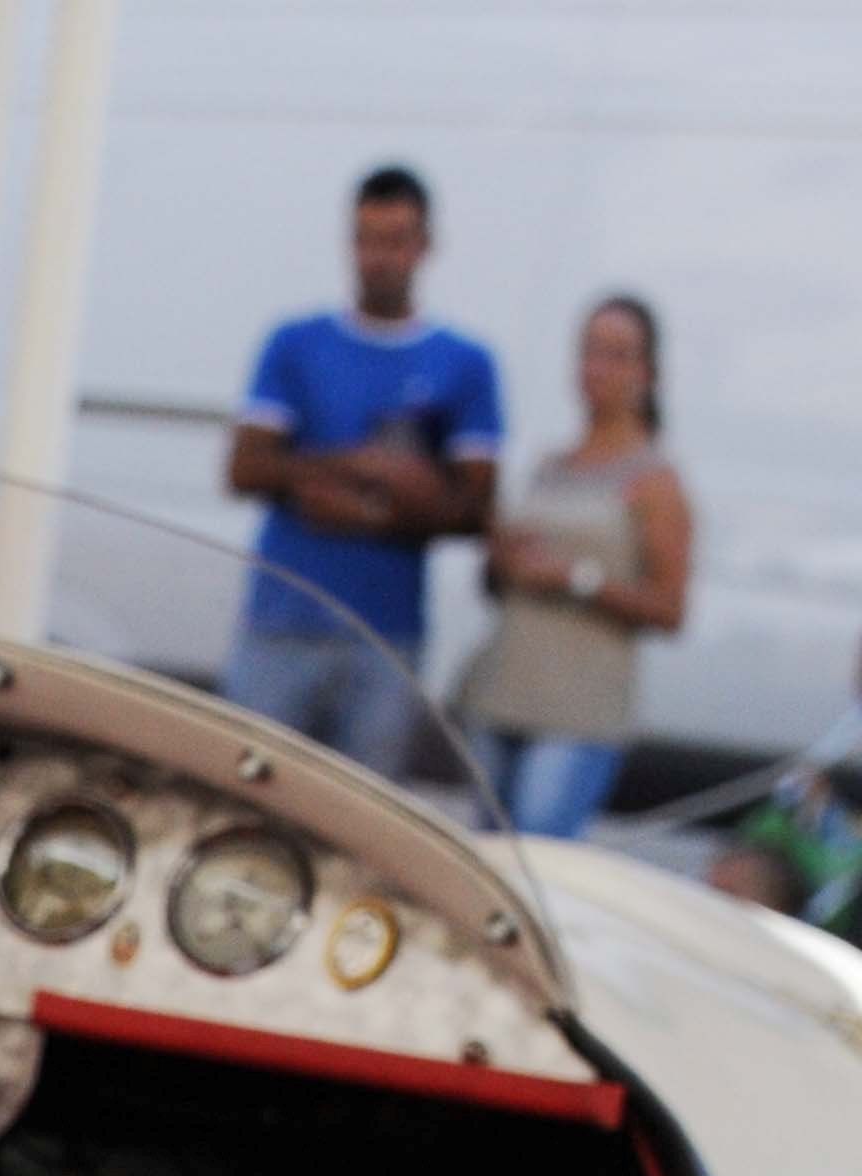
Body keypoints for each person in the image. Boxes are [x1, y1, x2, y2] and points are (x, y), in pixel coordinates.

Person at [219, 165, 502, 777]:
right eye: (366, 239)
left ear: (425, 246)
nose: (377, 258)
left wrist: (370, 507)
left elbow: (475, 507)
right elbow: (246, 466)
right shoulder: (296, 344)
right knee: (251, 792)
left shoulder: (463, 364)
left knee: (364, 819)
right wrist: (363, 465)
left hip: (385, 639)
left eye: (394, 240)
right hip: (280, 624)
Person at [456, 295, 690, 840]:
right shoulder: (548, 464)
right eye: (589, 352)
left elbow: (670, 608)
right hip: (503, 693)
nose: (597, 370)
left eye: (616, 355)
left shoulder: (654, 480)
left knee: (540, 854)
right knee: (485, 853)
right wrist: (503, 559)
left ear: (646, 372)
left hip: (577, 714)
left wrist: (574, 578)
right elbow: (500, 585)